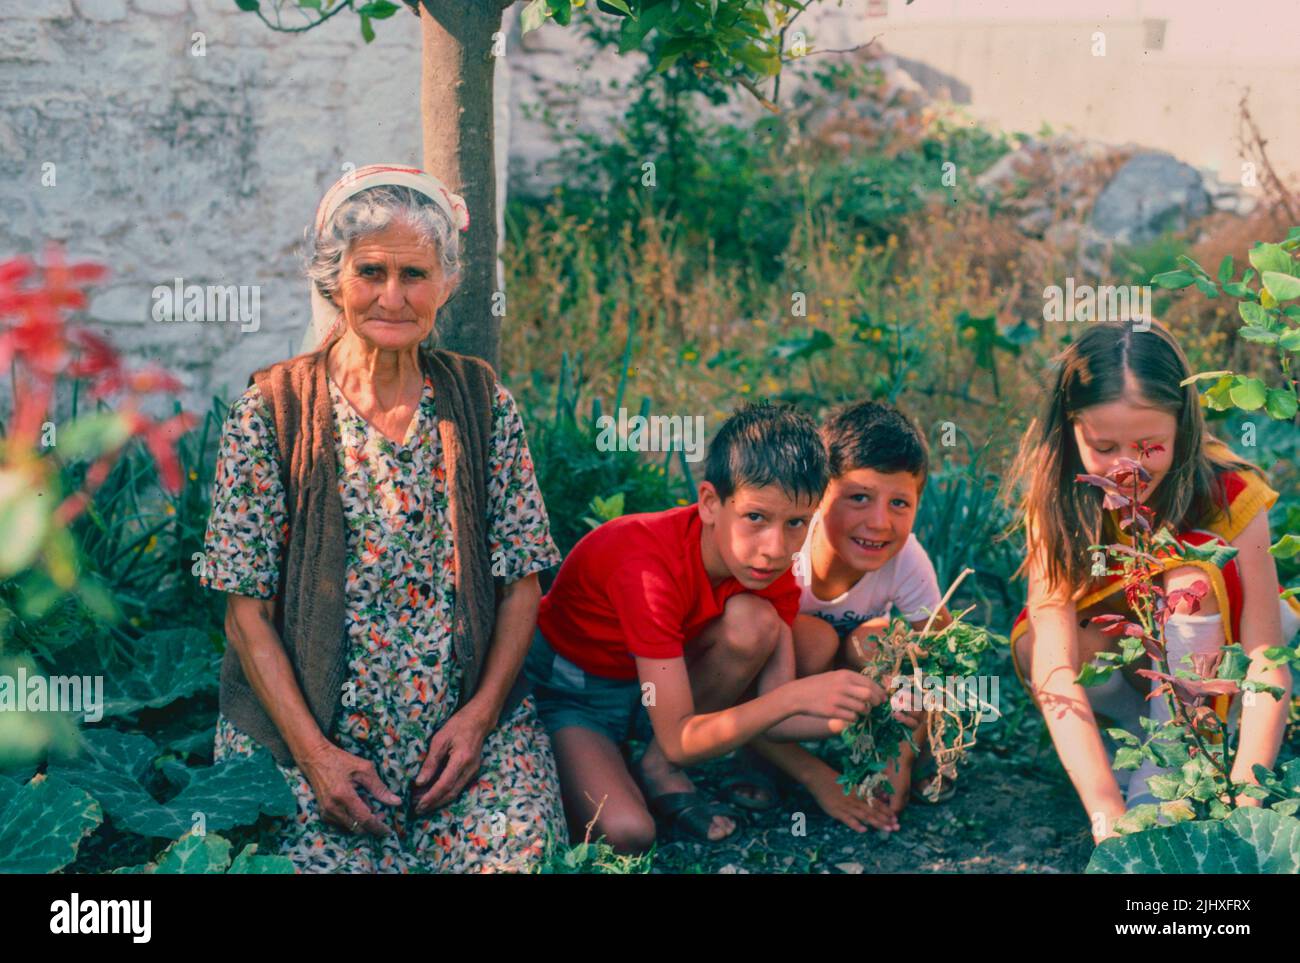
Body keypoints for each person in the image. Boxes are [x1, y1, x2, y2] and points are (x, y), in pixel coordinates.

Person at [201, 164, 565, 872]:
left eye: (415, 275)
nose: (393, 296)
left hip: (458, 737)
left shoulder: (483, 404)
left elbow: (523, 584)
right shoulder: (272, 414)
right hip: (311, 742)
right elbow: (244, 614)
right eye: (371, 271)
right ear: (334, 277)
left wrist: (480, 717)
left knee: (516, 858)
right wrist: (316, 757)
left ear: (447, 284)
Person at [525, 402, 889, 851]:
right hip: (576, 695)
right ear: (710, 503)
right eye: (756, 517)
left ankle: (655, 768)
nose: (774, 548)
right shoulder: (646, 567)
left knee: (756, 621)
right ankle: (590, 751)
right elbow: (688, 736)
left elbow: (776, 721)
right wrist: (793, 697)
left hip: (658, 688)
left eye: (796, 523)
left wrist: (867, 709)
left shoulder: (771, 575)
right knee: (628, 833)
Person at [1003, 318, 1299, 844]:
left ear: (1183, 426)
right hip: (1126, 666)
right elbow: (1054, 666)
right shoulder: (1055, 497)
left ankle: (1176, 760)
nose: (1126, 468)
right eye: (1103, 445)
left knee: (1192, 578)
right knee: (1037, 643)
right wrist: (1103, 811)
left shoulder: (1230, 490)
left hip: (1214, 656)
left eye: (1148, 446)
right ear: (1071, 429)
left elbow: (1265, 660)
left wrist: (1247, 797)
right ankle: (1131, 760)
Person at [749, 400, 953, 834]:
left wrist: (903, 750)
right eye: (859, 497)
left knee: (882, 639)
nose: (879, 522)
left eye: (899, 503)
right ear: (820, 494)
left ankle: (879, 749)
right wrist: (820, 781)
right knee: (812, 637)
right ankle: (765, 760)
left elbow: (943, 661)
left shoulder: (908, 559)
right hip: (775, 697)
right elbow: (735, 697)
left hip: (850, 694)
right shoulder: (783, 556)